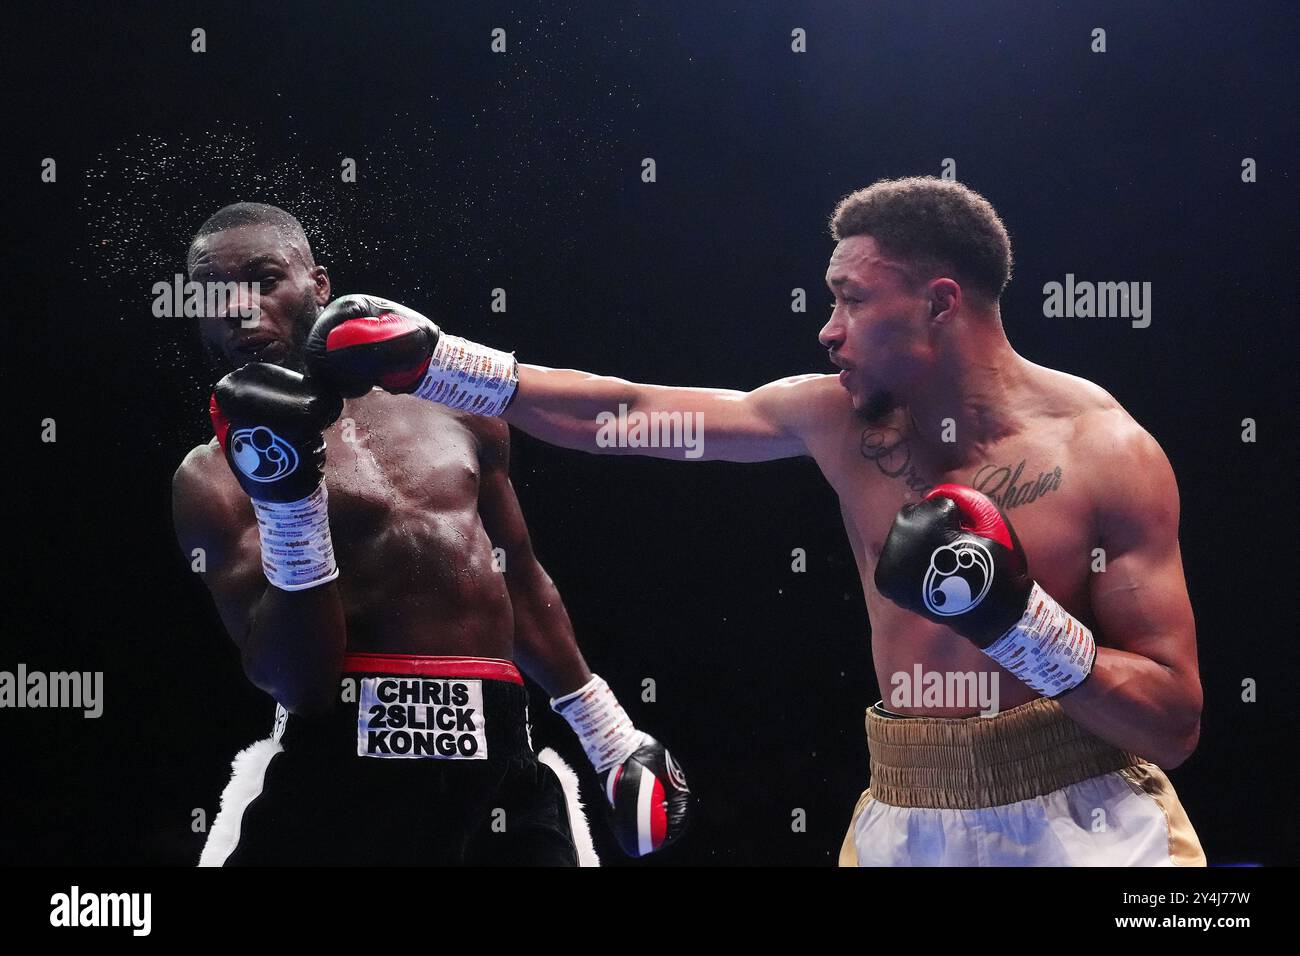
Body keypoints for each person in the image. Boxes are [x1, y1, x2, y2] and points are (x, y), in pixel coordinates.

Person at [306, 177, 1205, 866]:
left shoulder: (1105, 454)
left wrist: (1017, 620)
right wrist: (436, 363)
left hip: (1088, 817)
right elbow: (626, 414)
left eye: (853, 299)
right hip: (909, 812)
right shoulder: (837, 418)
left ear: (939, 301)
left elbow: (1173, 724)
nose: (827, 330)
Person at [172, 203, 689, 865]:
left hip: (500, 766)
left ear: (319, 285)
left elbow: (519, 579)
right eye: (215, 292)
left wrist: (608, 735)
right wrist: (289, 501)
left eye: (264, 278)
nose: (240, 307)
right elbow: (298, 682)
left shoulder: (454, 407)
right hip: (341, 780)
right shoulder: (212, 478)